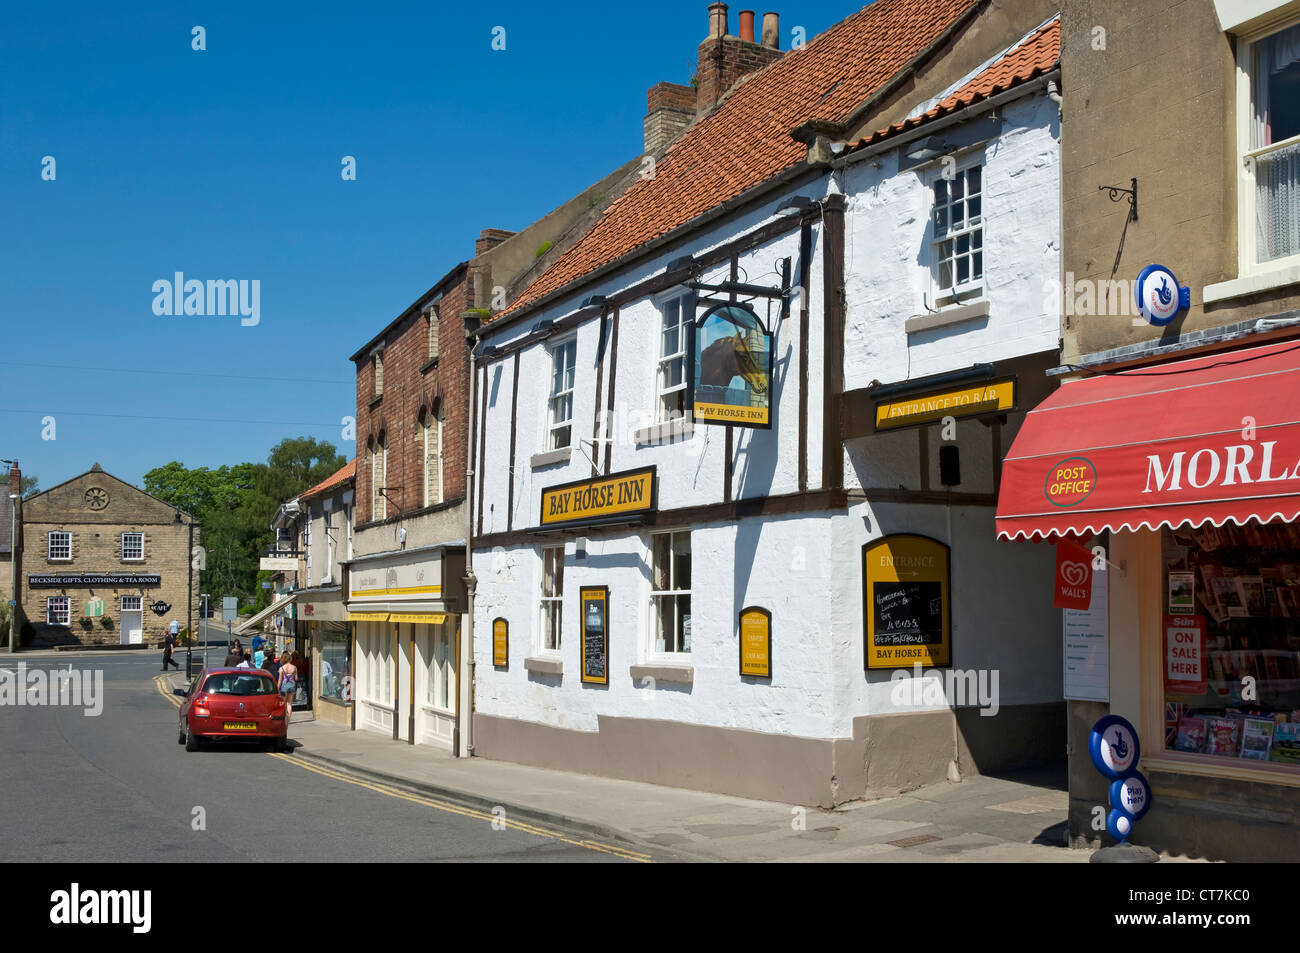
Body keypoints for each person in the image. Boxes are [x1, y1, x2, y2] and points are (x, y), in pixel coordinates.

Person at [277, 653, 298, 725]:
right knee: (289, 703)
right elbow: (296, 678)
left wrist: (277, 688)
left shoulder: (281, 668)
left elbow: (280, 680)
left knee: (284, 703)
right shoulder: (294, 667)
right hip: (292, 685)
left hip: (284, 686)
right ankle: (288, 719)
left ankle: (284, 718)